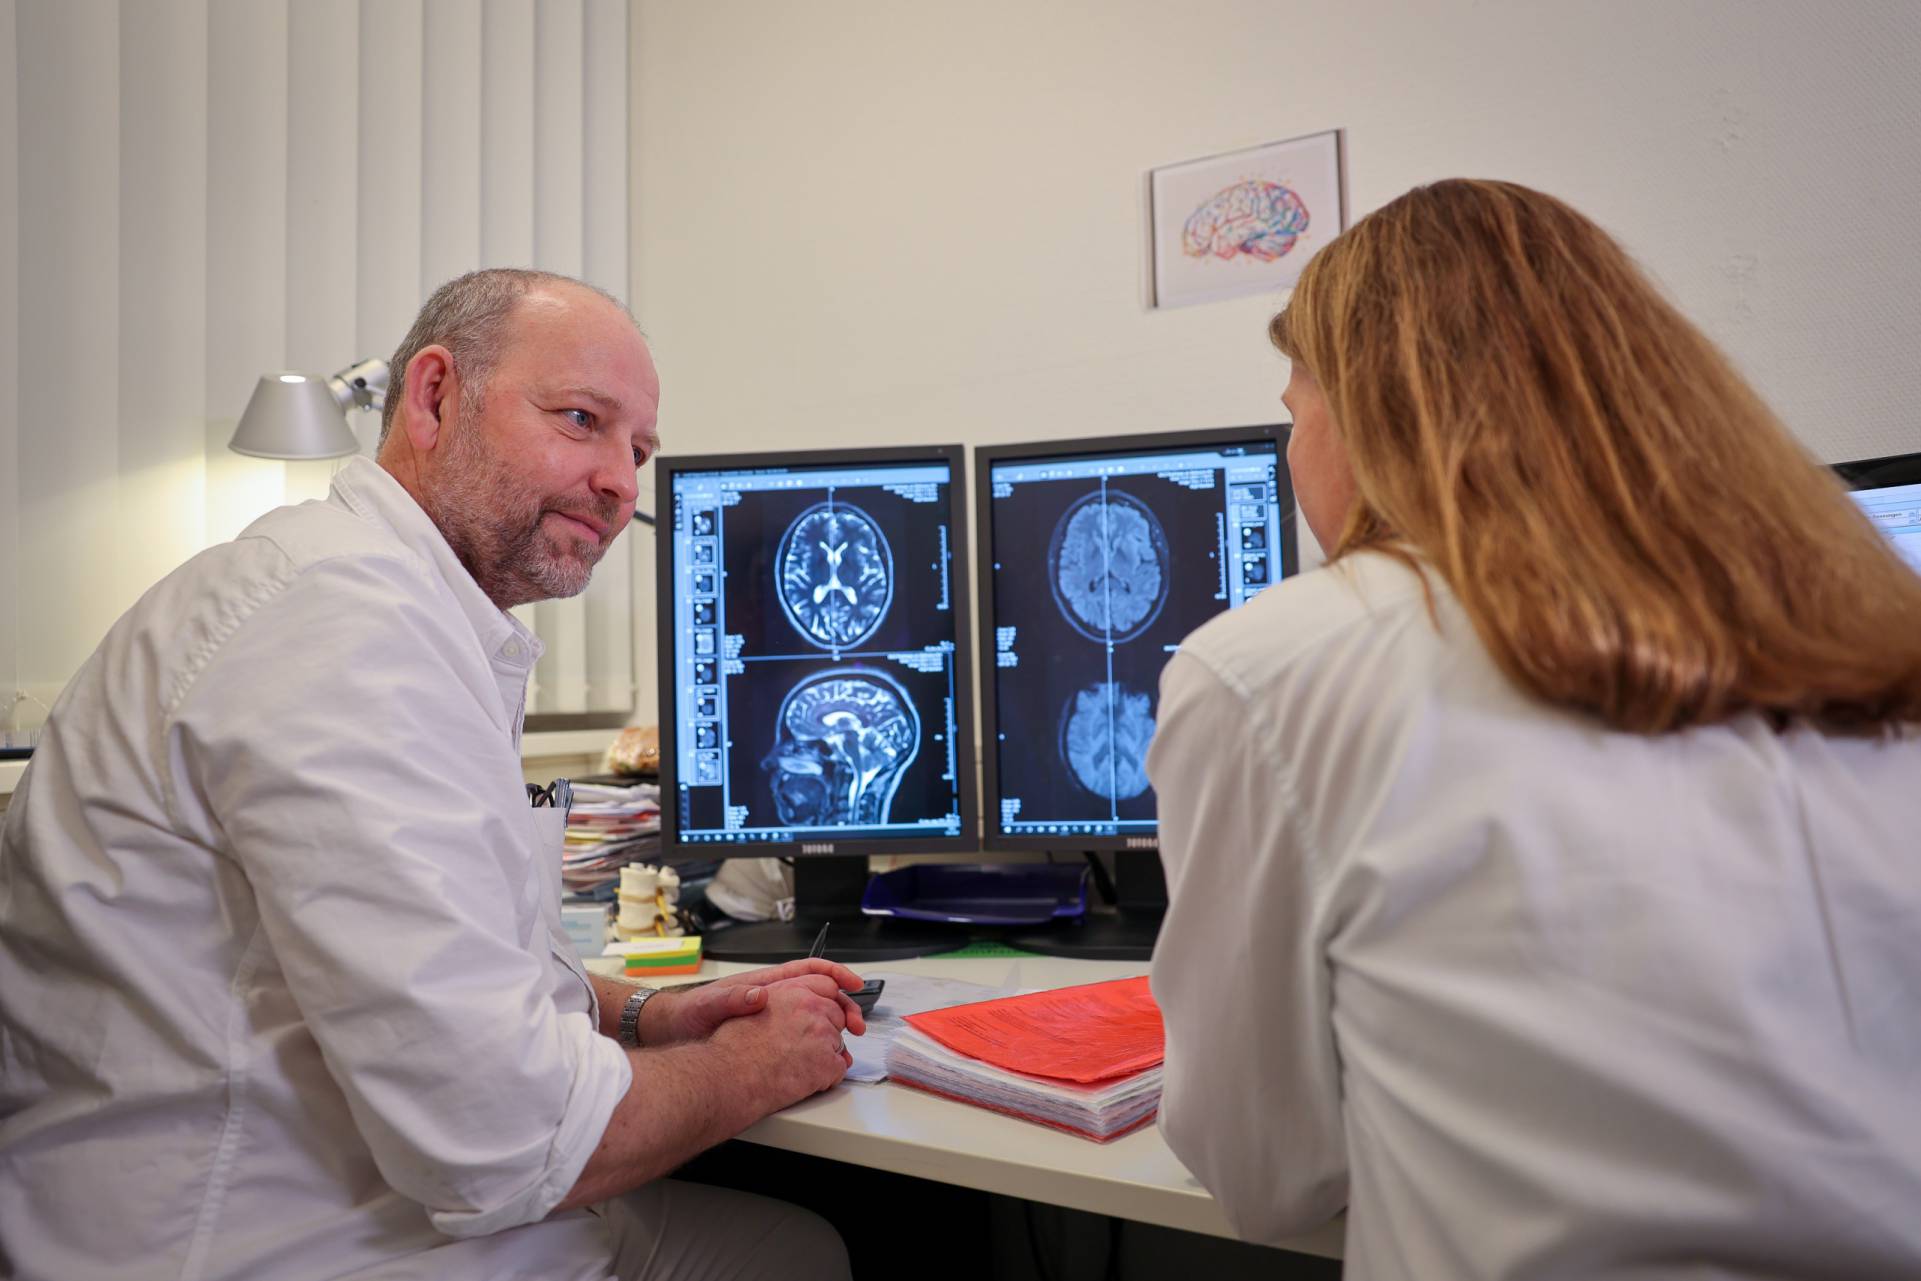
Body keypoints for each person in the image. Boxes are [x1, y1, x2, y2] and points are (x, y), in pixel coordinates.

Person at [0, 269, 862, 1280]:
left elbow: (417, 959)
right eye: (580, 420)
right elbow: (502, 1138)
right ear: (433, 396)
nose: (623, 482)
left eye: (637, 450)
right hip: (275, 1241)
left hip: (331, 1195)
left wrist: (645, 1011)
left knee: (799, 1240)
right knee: (817, 1246)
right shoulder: (342, 633)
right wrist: (753, 1064)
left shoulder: (391, 610)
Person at [1147, 180, 1921, 1280]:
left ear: (1371, 412)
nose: (1291, 448)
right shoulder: (1867, 631)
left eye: (1294, 406)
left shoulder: (1278, 662)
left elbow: (1268, 1174)